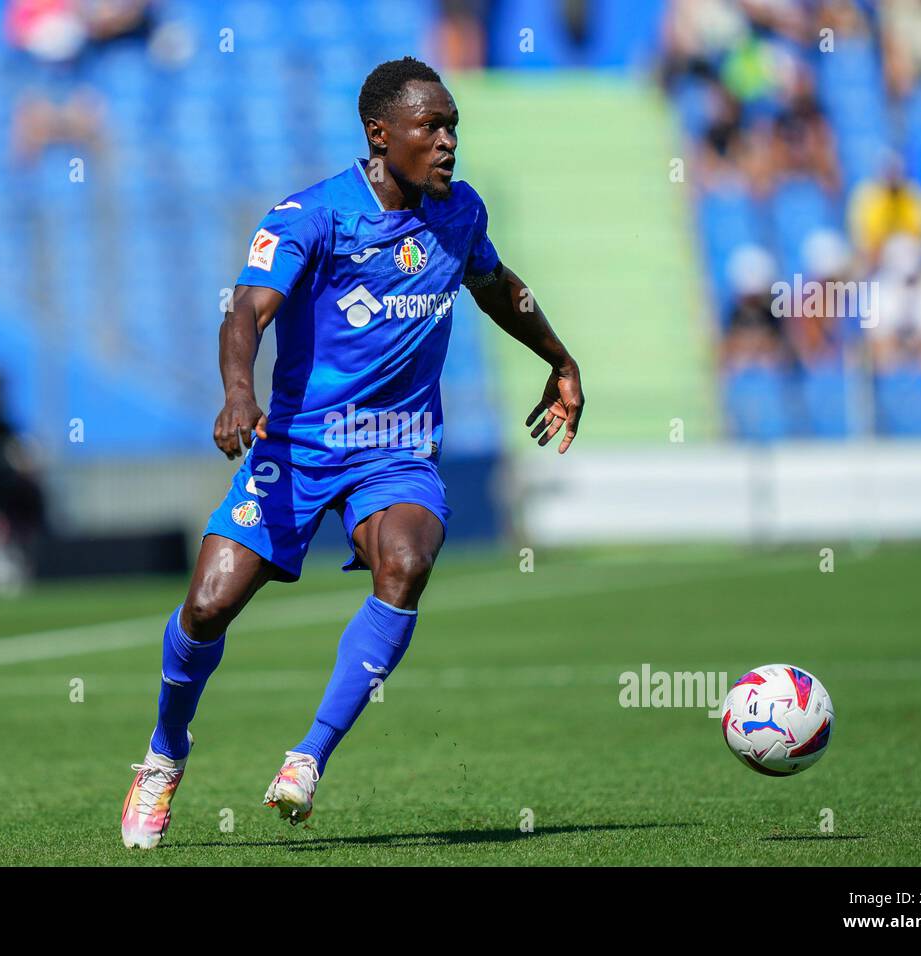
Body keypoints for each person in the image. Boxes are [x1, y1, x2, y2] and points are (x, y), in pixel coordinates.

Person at [120, 57, 584, 848]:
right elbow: (244, 311)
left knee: (405, 563)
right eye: (430, 128)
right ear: (380, 134)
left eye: (453, 128)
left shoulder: (459, 213)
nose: (447, 142)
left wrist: (560, 360)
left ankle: (307, 758)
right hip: (298, 443)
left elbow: (498, 285)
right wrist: (239, 392)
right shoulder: (315, 214)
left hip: (395, 448)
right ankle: (164, 755)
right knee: (207, 605)